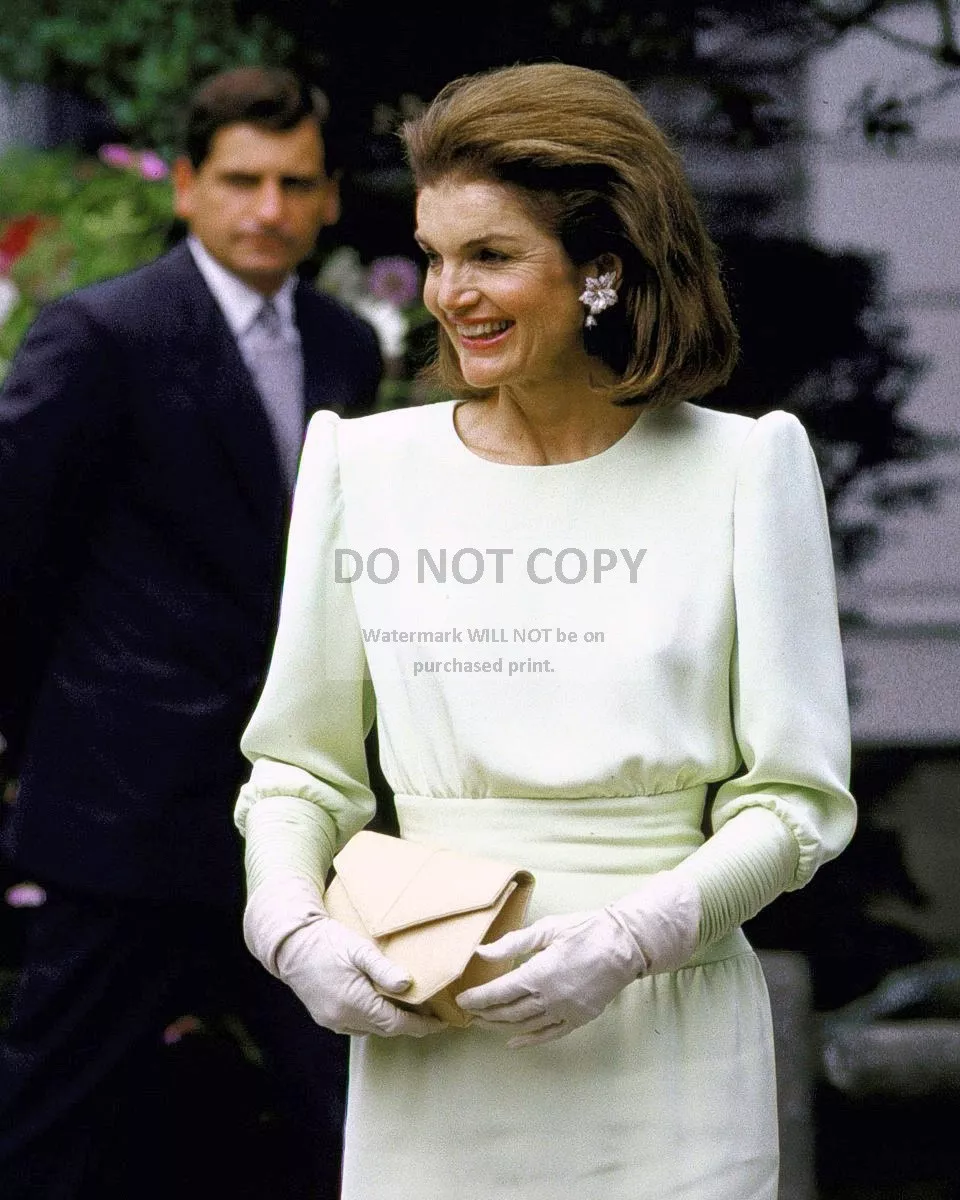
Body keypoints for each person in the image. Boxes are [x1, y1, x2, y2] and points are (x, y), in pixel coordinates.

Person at [235, 62, 857, 1200]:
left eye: (490, 256)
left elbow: (796, 802)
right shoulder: (358, 467)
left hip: (668, 1050)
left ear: (602, 270)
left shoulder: (746, 468)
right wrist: (291, 930)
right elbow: (296, 771)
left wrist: (632, 937)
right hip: (435, 1047)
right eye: (432, 255)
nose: (445, 293)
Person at [0, 66, 381, 1199]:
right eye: (243, 181)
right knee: (51, 1124)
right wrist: (36, 749)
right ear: (187, 187)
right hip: (126, 810)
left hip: (306, 815)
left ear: (326, 200)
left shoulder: (348, 344)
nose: (268, 208)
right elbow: (15, 560)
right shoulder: (98, 334)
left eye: (295, 184)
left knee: (356, 1116)